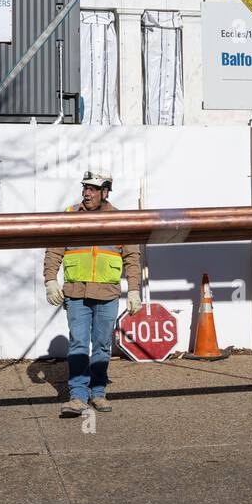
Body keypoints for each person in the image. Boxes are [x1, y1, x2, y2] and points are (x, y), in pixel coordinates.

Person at [43, 169, 142, 417]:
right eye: (85, 187)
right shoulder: (69, 216)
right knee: (78, 342)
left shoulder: (120, 220)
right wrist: (50, 281)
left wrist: (134, 290)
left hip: (107, 294)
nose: (87, 193)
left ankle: (97, 392)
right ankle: (77, 396)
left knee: (101, 345)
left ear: (105, 192)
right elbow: (54, 249)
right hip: (76, 293)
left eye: (93, 189)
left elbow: (132, 256)